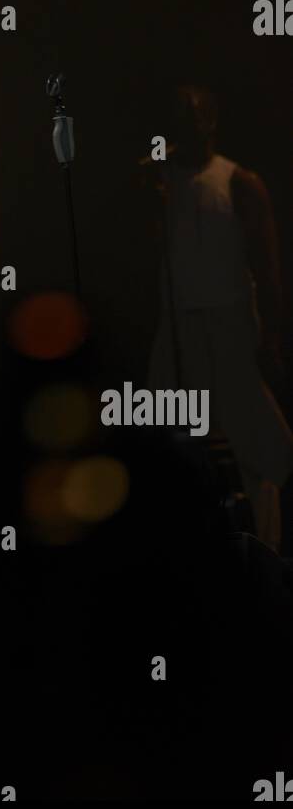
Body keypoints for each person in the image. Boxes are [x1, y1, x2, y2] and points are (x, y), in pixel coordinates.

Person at [139, 84, 293, 551]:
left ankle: (266, 552)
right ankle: (188, 554)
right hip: (180, 326)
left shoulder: (239, 183)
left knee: (258, 446)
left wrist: (271, 339)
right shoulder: (158, 184)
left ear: (212, 121)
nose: (190, 127)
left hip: (229, 328)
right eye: (180, 119)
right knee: (169, 438)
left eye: (196, 117)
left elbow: (266, 271)